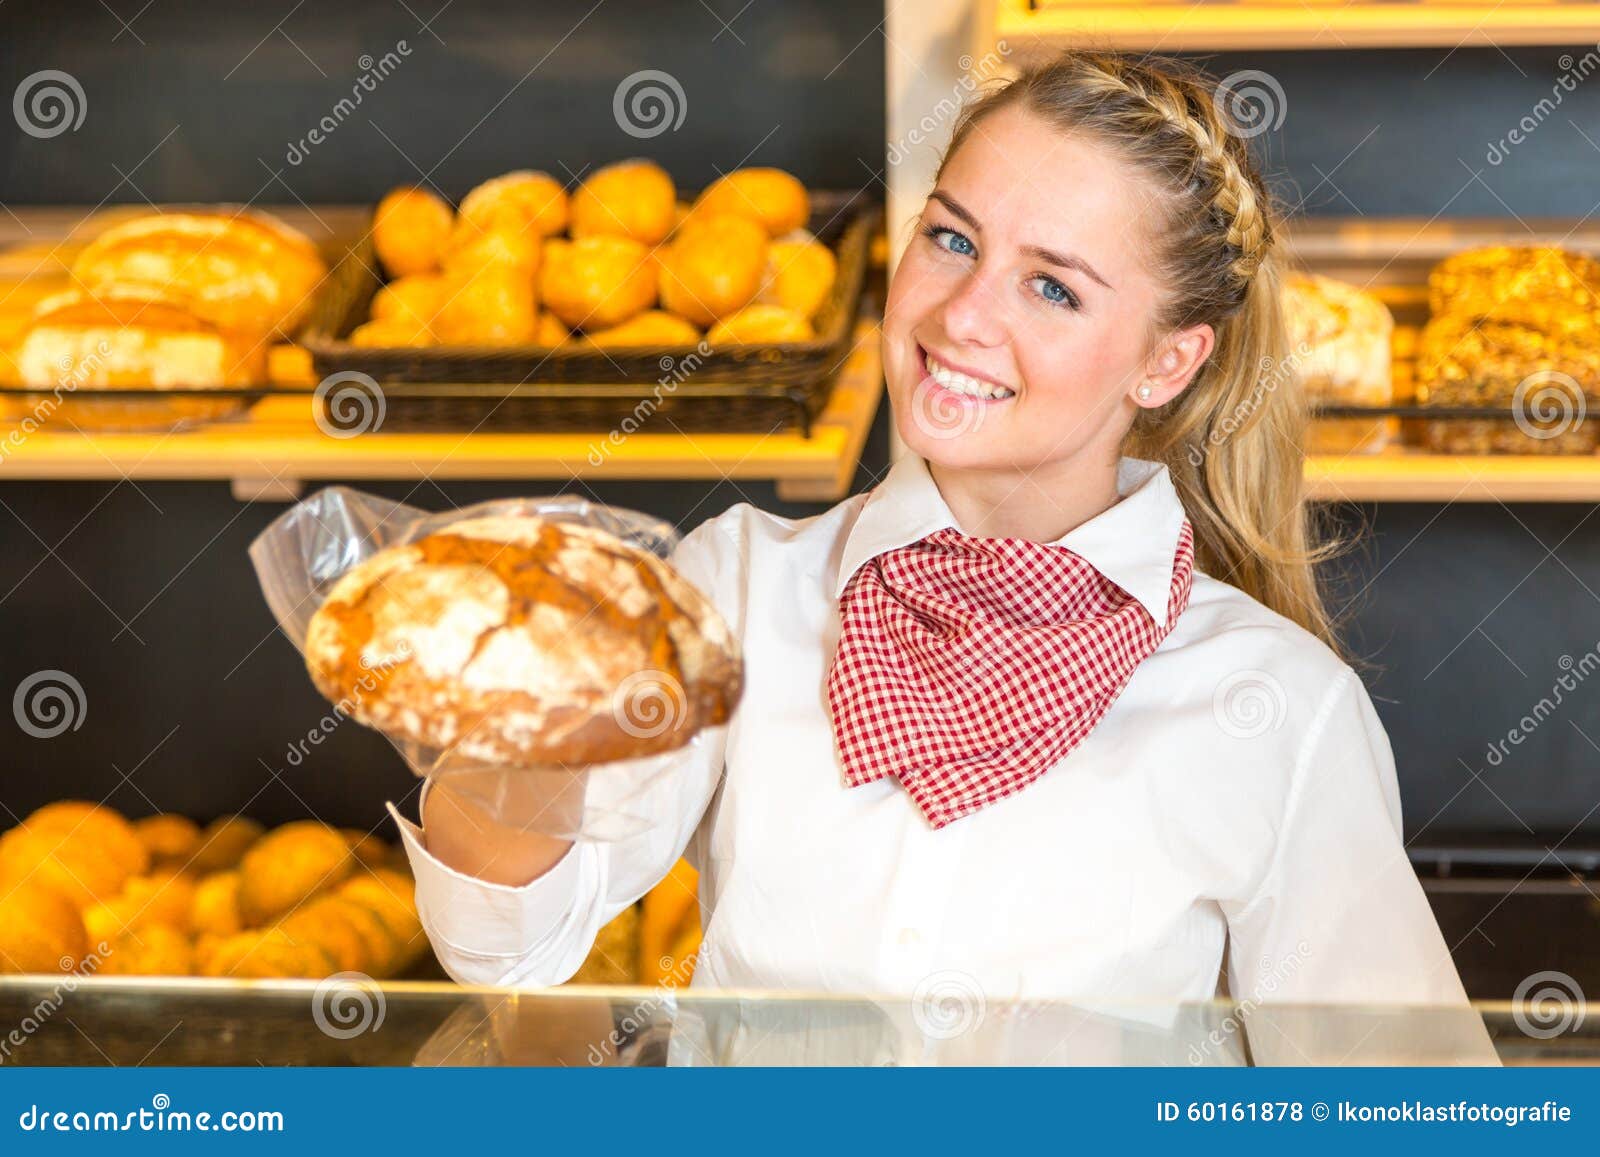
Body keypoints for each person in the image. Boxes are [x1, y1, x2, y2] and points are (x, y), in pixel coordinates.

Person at [387, 51, 1487, 1056]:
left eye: (1051, 286)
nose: (961, 314)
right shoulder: (735, 587)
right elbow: (507, 942)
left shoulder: (1277, 708)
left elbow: (1403, 1104)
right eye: (952, 237)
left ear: (1167, 361)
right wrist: (510, 704)